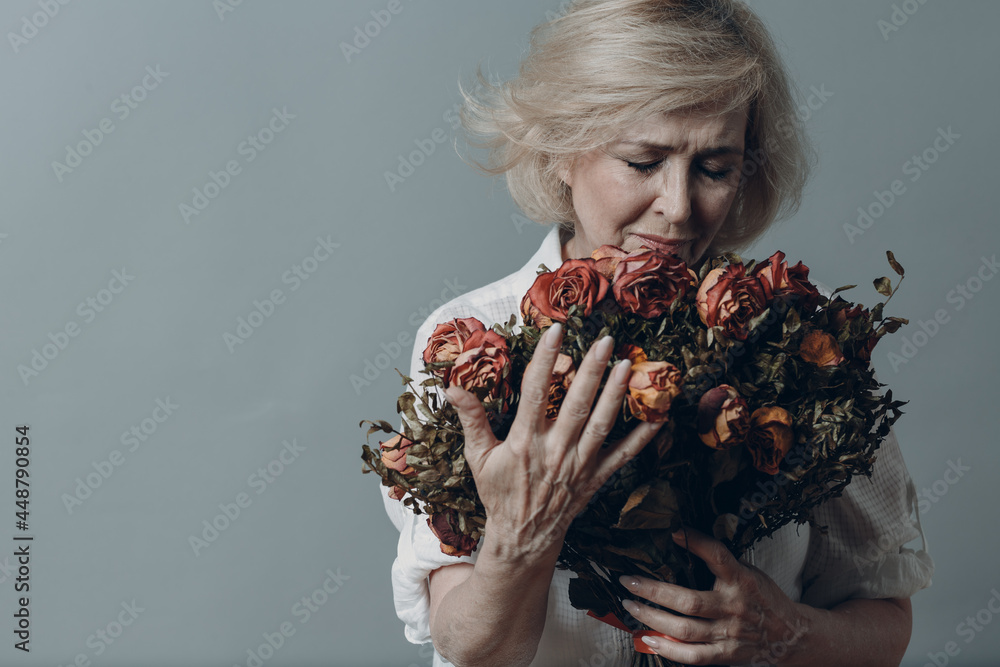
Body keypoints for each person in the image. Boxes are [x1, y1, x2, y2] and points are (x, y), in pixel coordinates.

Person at [379, 1, 934, 665]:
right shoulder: (470, 343)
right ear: (561, 149)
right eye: (643, 161)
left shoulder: (802, 347)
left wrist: (782, 633)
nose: (678, 206)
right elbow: (474, 647)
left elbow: (882, 620)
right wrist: (521, 536)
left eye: (715, 167)